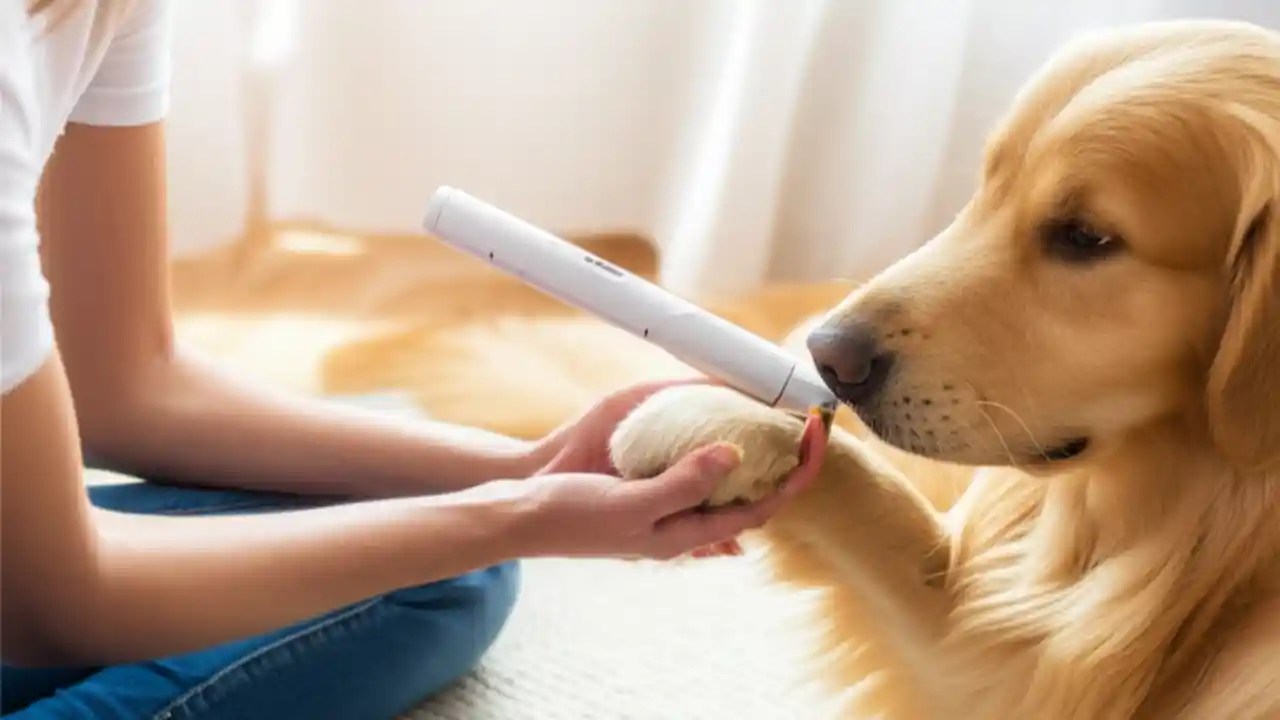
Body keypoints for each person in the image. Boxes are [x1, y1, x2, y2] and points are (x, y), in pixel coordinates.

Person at [0, 2, 827, 717]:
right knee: (441, 553)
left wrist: (525, 469)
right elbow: (53, 597)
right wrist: (523, 516)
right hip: (42, 590)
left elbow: (120, 387)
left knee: (442, 567)